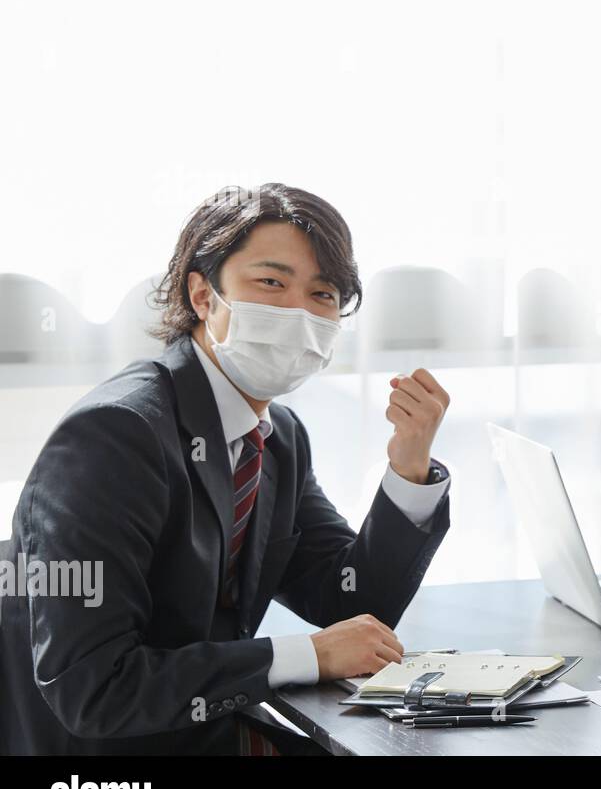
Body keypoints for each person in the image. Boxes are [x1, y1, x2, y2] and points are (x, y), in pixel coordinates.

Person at [0, 184, 454, 754]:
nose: (296, 309)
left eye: (322, 293)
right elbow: (94, 688)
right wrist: (305, 655)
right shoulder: (114, 436)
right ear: (202, 295)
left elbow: (349, 605)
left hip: (208, 731)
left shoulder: (278, 438)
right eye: (271, 282)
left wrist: (409, 470)